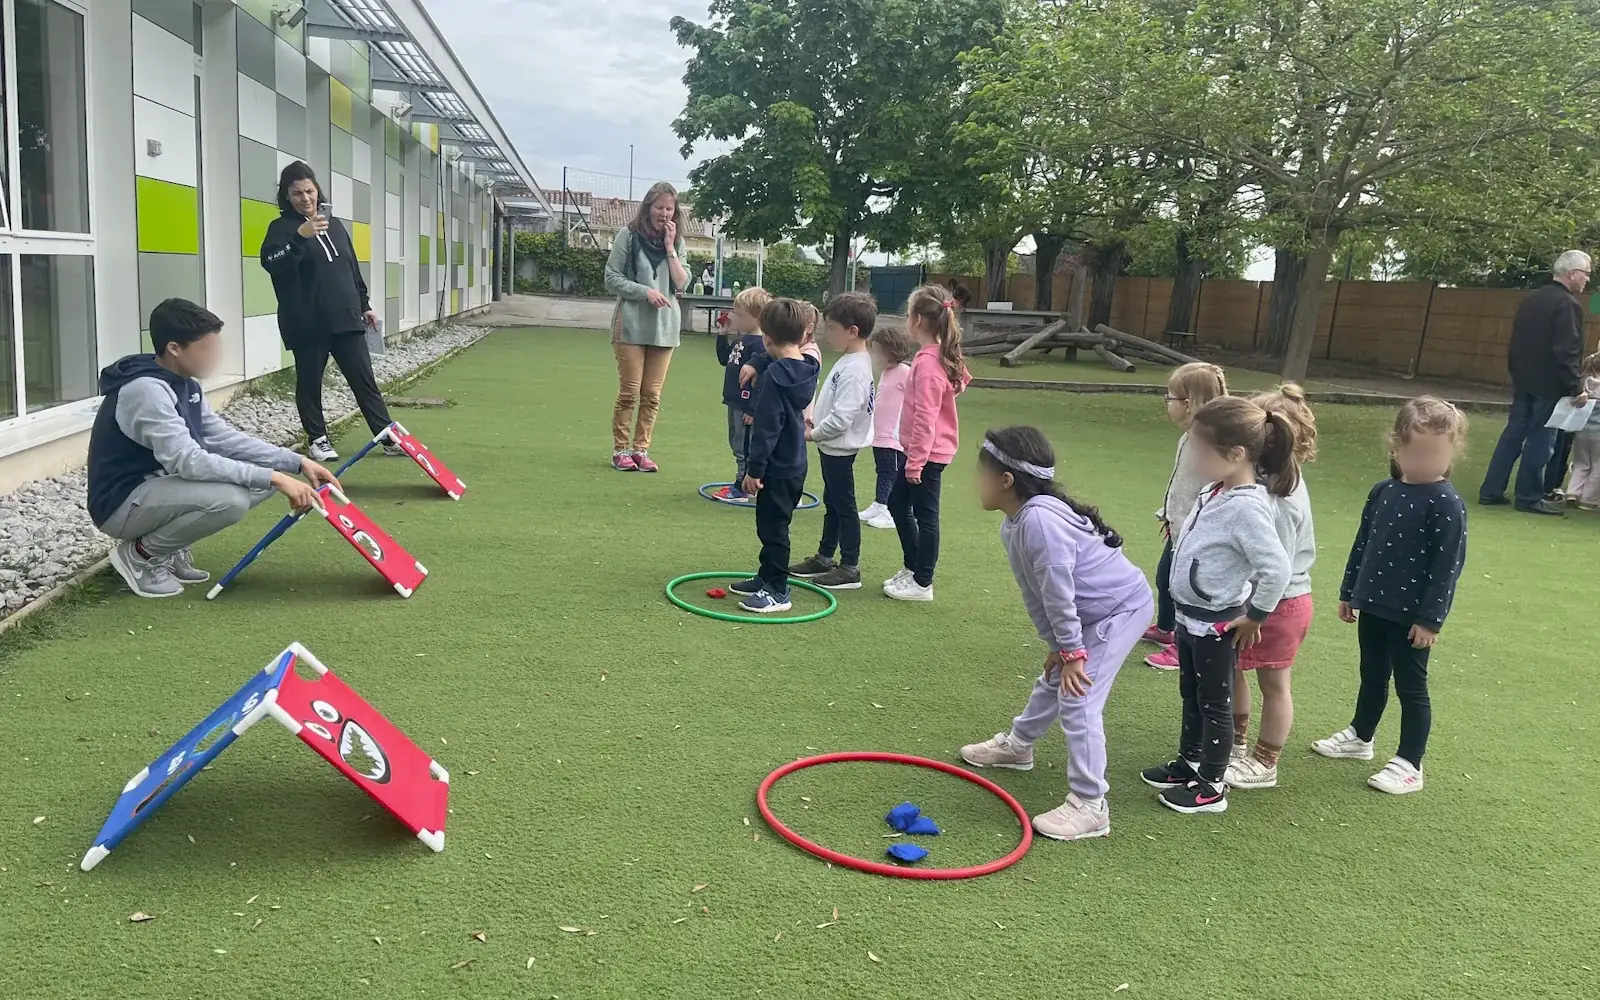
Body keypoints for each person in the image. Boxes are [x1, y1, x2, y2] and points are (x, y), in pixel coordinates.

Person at [960, 427, 1153, 841]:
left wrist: (1073, 651)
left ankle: (1091, 804)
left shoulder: (1041, 522)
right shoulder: (1014, 524)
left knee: (1077, 696)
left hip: (1121, 608)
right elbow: (1037, 595)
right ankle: (1019, 746)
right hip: (1089, 613)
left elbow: (1060, 592)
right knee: (1055, 678)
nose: (974, 482)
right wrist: (1058, 647)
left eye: (981, 472)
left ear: (1007, 480)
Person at [87, 299, 339, 599]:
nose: (215, 357)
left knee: (263, 480)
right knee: (231, 500)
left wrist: (295, 462)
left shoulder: (184, 382)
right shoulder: (146, 390)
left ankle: (170, 547)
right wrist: (274, 477)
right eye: (206, 349)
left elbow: (222, 438)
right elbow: (189, 461)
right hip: (120, 504)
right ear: (174, 348)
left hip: (155, 488)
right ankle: (141, 555)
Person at [1140, 396, 1296, 815]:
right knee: (1190, 691)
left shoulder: (1247, 506)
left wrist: (1256, 616)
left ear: (1235, 455)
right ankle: (1190, 761)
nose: (1191, 455)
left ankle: (1211, 786)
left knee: (1214, 703)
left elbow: (1276, 567)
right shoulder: (1214, 491)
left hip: (1217, 626)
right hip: (1191, 619)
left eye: (1199, 449)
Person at [1313, 397, 1468, 795]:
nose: (1425, 461)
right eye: (1416, 452)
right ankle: (1361, 737)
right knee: (1373, 673)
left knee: (1411, 687)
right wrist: (1350, 592)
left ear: (1452, 453)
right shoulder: (1383, 491)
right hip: (1374, 604)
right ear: (1395, 449)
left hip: (1412, 616)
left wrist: (1431, 619)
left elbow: (1446, 568)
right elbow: (1364, 544)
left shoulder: (1447, 504)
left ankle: (1410, 762)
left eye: (1436, 453)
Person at [260, 161, 397, 463]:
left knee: (364, 380)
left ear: (317, 191)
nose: (305, 198)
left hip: (346, 317)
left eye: (309, 191)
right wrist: (300, 236)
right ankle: (317, 439)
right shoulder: (280, 229)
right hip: (307, 322)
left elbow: (351, 267)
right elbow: (272, 262)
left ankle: (386, 434)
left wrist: (365, 305)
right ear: (286, 195)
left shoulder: (333, 224)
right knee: (310, 384)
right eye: (297, 193)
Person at [1226, 385, 1319, 791]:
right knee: (1234, 671)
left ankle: (1265, 761)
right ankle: (1233, 744)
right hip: (1254, 601)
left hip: (1278, 604)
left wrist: (1257, 613)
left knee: (1274, 683)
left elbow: (1275, 566)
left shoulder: (1281, 495)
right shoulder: (1267, 482)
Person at [1477, 250, 1590, 516]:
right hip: (1550, 386)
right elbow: (1567, 350)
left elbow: (1517, 342)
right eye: (1586, 274)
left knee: (1512, 436)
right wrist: (1575, 386)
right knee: (1542, 441)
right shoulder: (1568, 305)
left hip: (1524, 381)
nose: (1587, 280)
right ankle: (1528, 496)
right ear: (1573, 274)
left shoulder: (1531, 299)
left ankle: (1491, 490)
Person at [728, 299, 820, 613]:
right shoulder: (806, 367)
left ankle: (779, 591)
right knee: (773, 525)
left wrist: (753, 471)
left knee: (773, 529)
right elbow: (779, 355)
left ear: (766, 336)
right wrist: (760, 361)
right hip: (795, 463)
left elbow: (766, 429)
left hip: (774, 467)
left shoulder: (774, 379)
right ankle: (766, 577)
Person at [884, 284, 971, 602]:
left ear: (918, 320)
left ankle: (923, 582)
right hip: (923, 452)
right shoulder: (932, 357)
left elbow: (926, 419)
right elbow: (959, 381)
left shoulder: (929, 366)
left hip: (927, 455)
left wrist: (916, 462)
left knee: (925, 516)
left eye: (908, 314)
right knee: (896, 504)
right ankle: (913, 567)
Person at [1144, 362, 1231, 670]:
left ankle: (1183, 645)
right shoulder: (1189, 438)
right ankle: (1166, 629)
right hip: (1178, 526)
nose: (1167, 403)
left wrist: (1191, 526)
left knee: (1183, 586)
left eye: (1170, 397)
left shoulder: (1207, 444)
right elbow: (1180, 484)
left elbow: (1208, 490)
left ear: (1189, 403)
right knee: (1165, 576)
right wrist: (1169, 515)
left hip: (1196, 534)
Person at [789, 292, 879, 591]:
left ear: (852, 331)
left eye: (832, 327)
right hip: (833, 443)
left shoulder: (855, 367)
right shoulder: (850, 360)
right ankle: (825, 557)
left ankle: (850, 567)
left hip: (839, 445)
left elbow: (844, 416)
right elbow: (835, 406)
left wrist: (812, 433)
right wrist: (817, 422)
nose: (826, 333)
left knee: (843, 505)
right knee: (834, 502)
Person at [604, 181, 689, 473]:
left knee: (652, 395)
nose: (665, 214)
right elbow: (611, 277)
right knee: (629, 391)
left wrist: (670, 248)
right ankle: (620, 450)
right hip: (631, 324)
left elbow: (681, 282)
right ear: (648, 207)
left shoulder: (677, 241)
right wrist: (645, 291)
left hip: (664, 328)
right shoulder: (628, 235)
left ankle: (641, 450)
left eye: (670, 208)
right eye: (660, 207)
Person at [714, 286, 772, 500]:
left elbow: (761, 380)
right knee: (735, 441)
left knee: (744, 445)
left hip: (745, 406)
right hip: (733, 402)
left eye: (741, 315)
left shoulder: (760, 346)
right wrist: (723, 335)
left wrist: (753, 408)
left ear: (757, 318)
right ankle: (743, 481)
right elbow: (724, 359)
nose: (736, 318)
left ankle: (743, 486)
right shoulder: (741, 340)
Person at [859, 325, 916, 531]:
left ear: (891, 352)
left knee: (889, 472)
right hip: (880, 433)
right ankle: (880, 503)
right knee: (882, 470)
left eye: (878, 353)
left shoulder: (905, 372)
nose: (875, 357)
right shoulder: (887, 372)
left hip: (894, 436)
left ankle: (890, 511)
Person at [1562, 352, 1600, 508]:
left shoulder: (1583, 385)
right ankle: (1589, 499)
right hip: (1599, 434)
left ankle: (1573, 492)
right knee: (1598, 466)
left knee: (1581, 463)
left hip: (1582, 431)